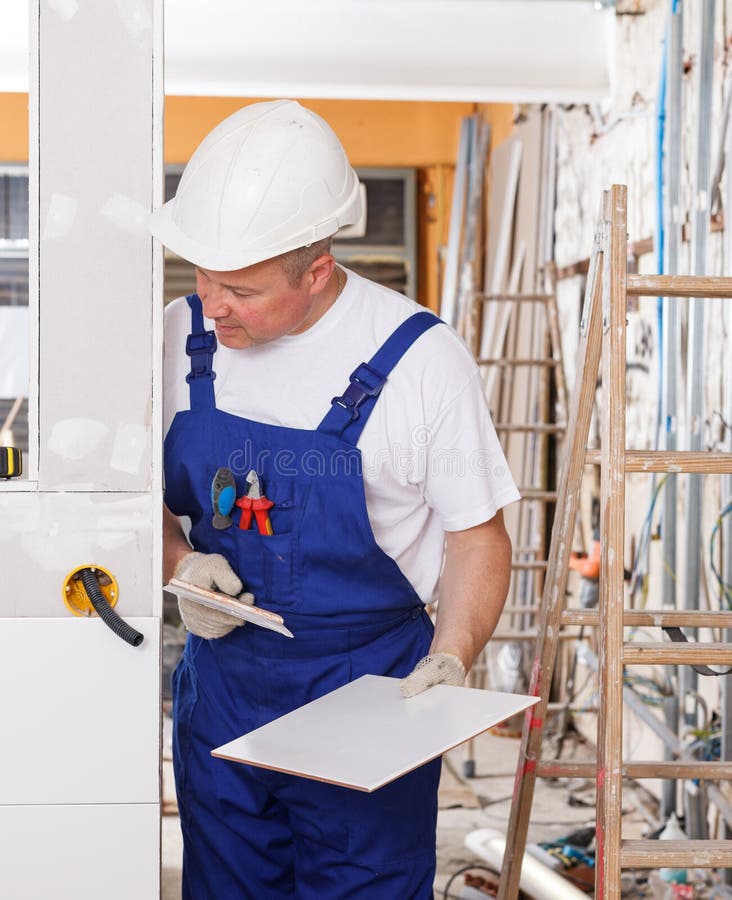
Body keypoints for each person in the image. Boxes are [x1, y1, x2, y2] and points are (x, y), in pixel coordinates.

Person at [152, 98, 519, 899]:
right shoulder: (177, 334)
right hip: (225, 691)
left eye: (240, 290)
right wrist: (180, 566)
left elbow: (477, 539)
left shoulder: (421, 360)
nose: (212, 304)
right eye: (203, 275)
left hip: (366, 701)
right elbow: (134, 502)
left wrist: (453, 653)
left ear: (316, 272)